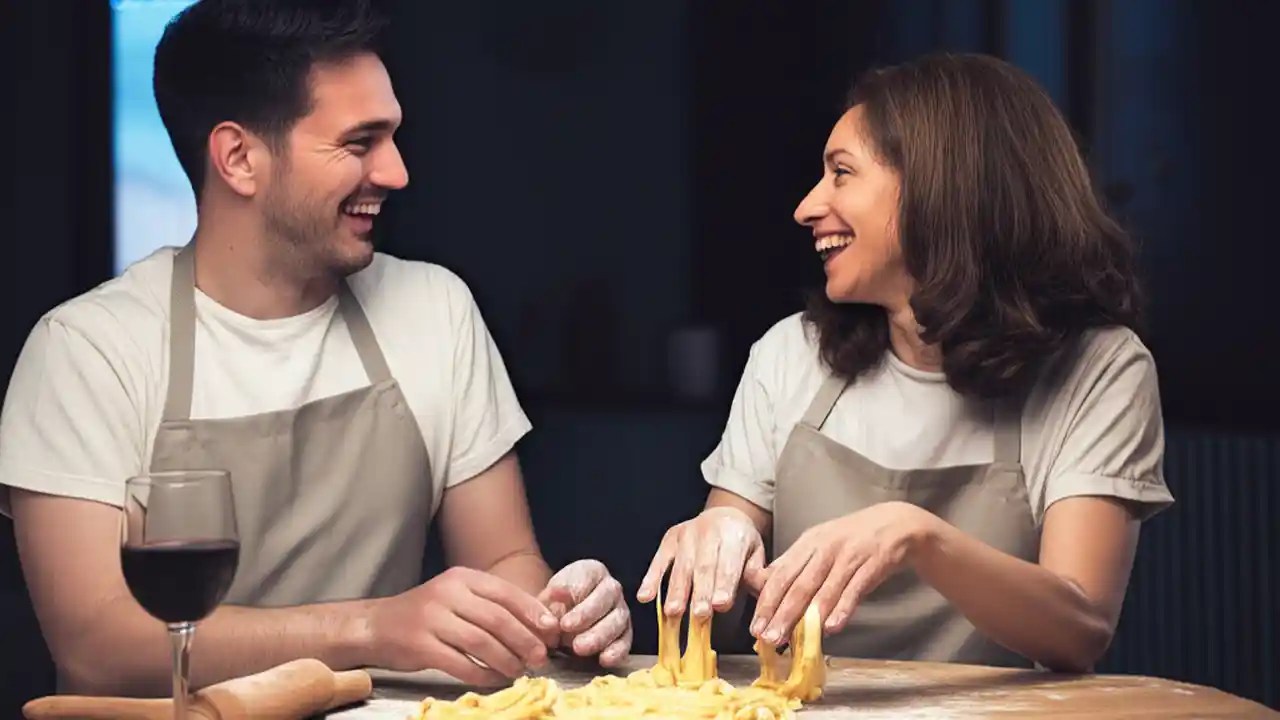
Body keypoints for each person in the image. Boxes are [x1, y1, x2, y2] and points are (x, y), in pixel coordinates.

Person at [0, 0, 630, 696]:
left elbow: (505, 560)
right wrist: (370, 628)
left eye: (393, 137)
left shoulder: (434, 309)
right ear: (239, 157)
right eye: (360, 143)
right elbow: (97, 644)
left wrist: (560, 612)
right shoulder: (89, 351)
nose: (396, 173)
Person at [639, 52, 1174, 673]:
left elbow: (1079, 630)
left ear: (940, 189)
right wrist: (713, 544)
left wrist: (920, 538)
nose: (807, 207)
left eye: (842, 174)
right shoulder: (789, 355)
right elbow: (723, 554)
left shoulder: (1100, 369)